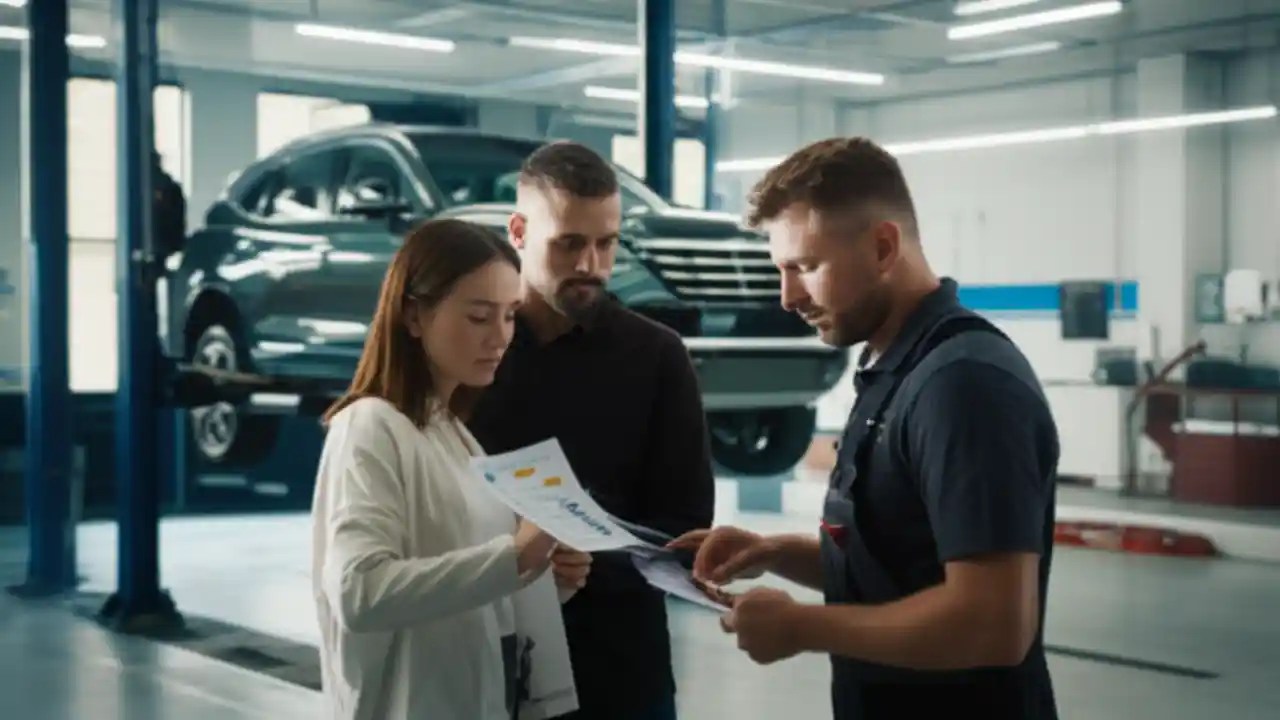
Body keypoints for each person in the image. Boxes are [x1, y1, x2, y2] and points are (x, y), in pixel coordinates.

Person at [670, 137, 1061, 719]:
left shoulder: (964, 386)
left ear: (882, 248)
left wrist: (803, 627)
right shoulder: (894, 368)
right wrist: (773, 552)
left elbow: (994, 624)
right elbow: (897, 566)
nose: (787, 297)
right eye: (781, 271)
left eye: (805, 267)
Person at [467, 140, 716, 720]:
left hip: (619, 669)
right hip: (483, 654)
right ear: (520, 231)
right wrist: (515, 559)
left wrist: (581, 559)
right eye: (570, 244)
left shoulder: (657, 356)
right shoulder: (472, 354)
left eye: (607, 243)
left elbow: (683, 529)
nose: (592, 266)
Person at [311, 218, 585, 720]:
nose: (500, 337)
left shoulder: (456, 438)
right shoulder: (371, 426)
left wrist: (546, 574)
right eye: (479, 317)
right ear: (414, 316)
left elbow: (473, 595)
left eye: (509, 316)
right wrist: (515, 559)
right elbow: (359, 592)